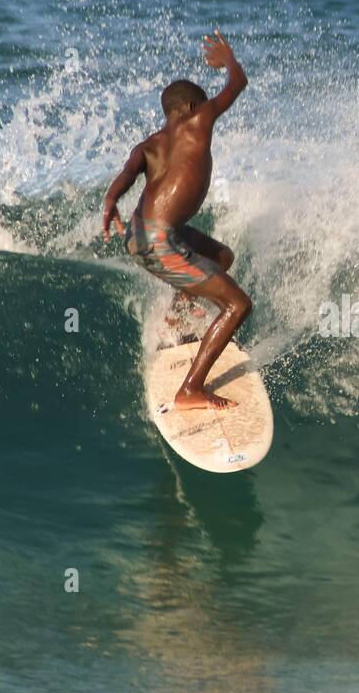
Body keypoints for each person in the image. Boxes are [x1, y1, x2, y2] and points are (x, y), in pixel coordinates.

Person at [102, 30, 250, 410]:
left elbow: (125, 175)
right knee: (238, 306)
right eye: (201, 107)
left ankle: (177, 319)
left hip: (139, 234)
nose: (207, 116)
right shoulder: (197, 119)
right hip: (160, 242)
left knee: (220, 257)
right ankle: (190, 390)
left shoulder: (149, 144)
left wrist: (110, 201)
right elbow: (238, 84)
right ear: (188, 108)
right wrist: (228, 59)